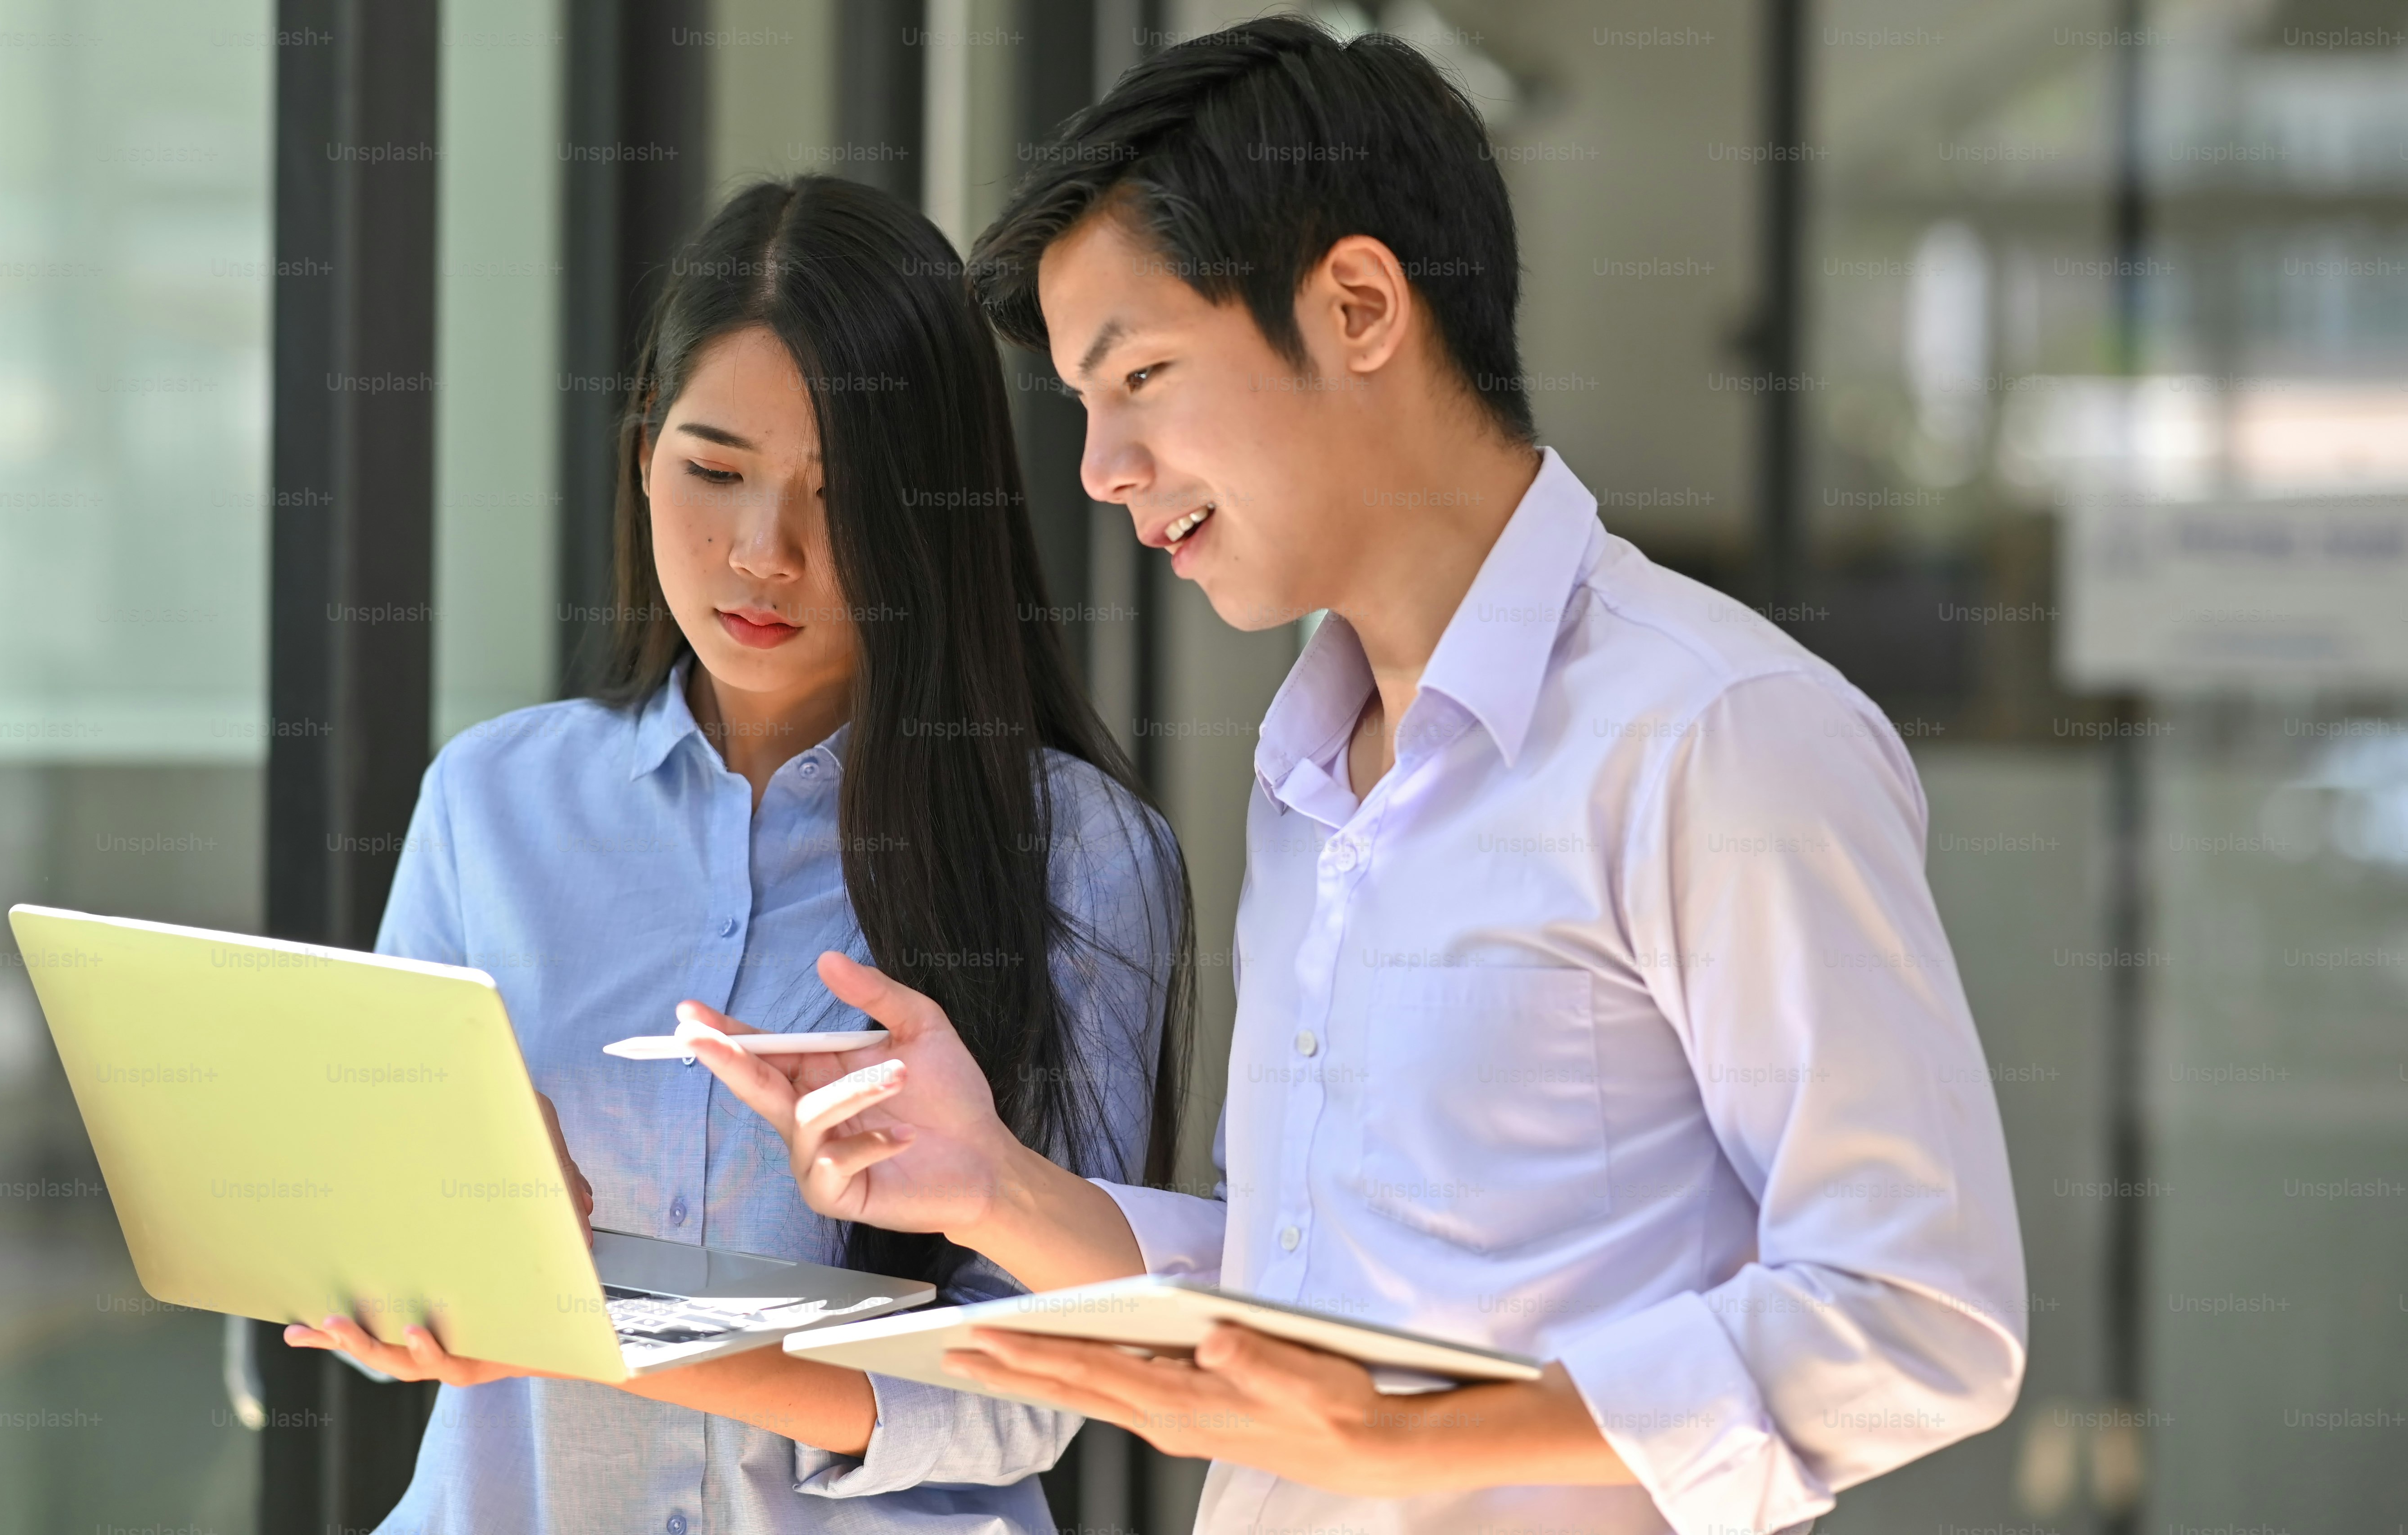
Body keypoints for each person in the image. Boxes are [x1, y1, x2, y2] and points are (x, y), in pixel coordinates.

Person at [689, 19, 2028, 1535]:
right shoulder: (1311, 778)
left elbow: (1917, 1318)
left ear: (1359, 308)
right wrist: (992, 1186)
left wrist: (1416, 1441)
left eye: (1142, 377)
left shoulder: (1716, 733)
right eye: (1085, 407)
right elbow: (1311, 1307)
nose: (1103, 468)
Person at [283, 175, 1193, 1535]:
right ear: (644, 449)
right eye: (714, 472)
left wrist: (600, 1312)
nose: (766, 553)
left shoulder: (1075, 852)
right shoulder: (493, 800)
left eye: (844, 495)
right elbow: (390, 1260)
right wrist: (401, 1281)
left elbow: (1043, 1380)